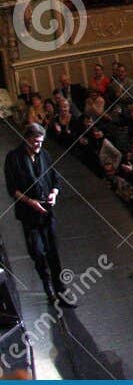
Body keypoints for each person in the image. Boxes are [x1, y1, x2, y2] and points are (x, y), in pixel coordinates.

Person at [5, 123, 66, 303]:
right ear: (27, 139)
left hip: (47, 211)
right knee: (37, 251)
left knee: (53, 251)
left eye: (40, 142)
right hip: (28, 213)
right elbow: (12, 188)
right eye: (35, 142)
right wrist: (30, 202)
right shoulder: (13, 158)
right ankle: (47, 285)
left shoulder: (45, 155)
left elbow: (55, 180)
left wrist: (54, 194)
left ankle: (60, 289)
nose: (38, 146)